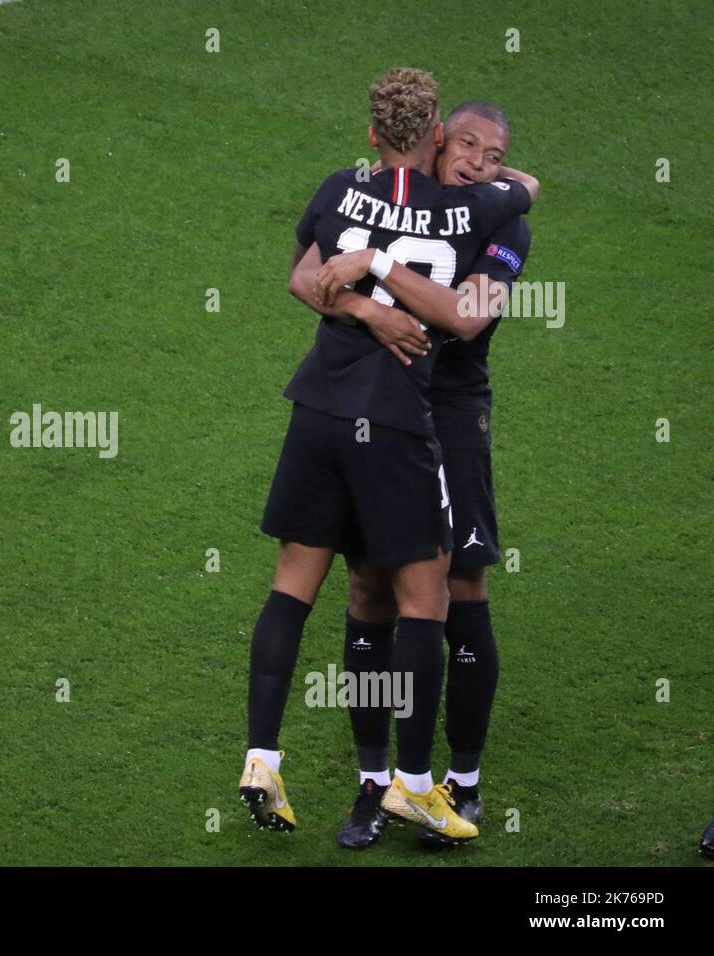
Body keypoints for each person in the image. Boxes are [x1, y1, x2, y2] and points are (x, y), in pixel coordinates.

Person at [239, 68, 535, 842]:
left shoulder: (496, 216)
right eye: (464, 141)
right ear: (435, 136)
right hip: (381, 408)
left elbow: (467, 318)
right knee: (370, 592)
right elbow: (307, 276)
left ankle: (459, 780)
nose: (476, 158)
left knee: (457, 591)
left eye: (494, 153)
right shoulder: (418, 195)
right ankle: (380, 784)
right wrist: (371, 309)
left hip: (449, 412)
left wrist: (373, 266)